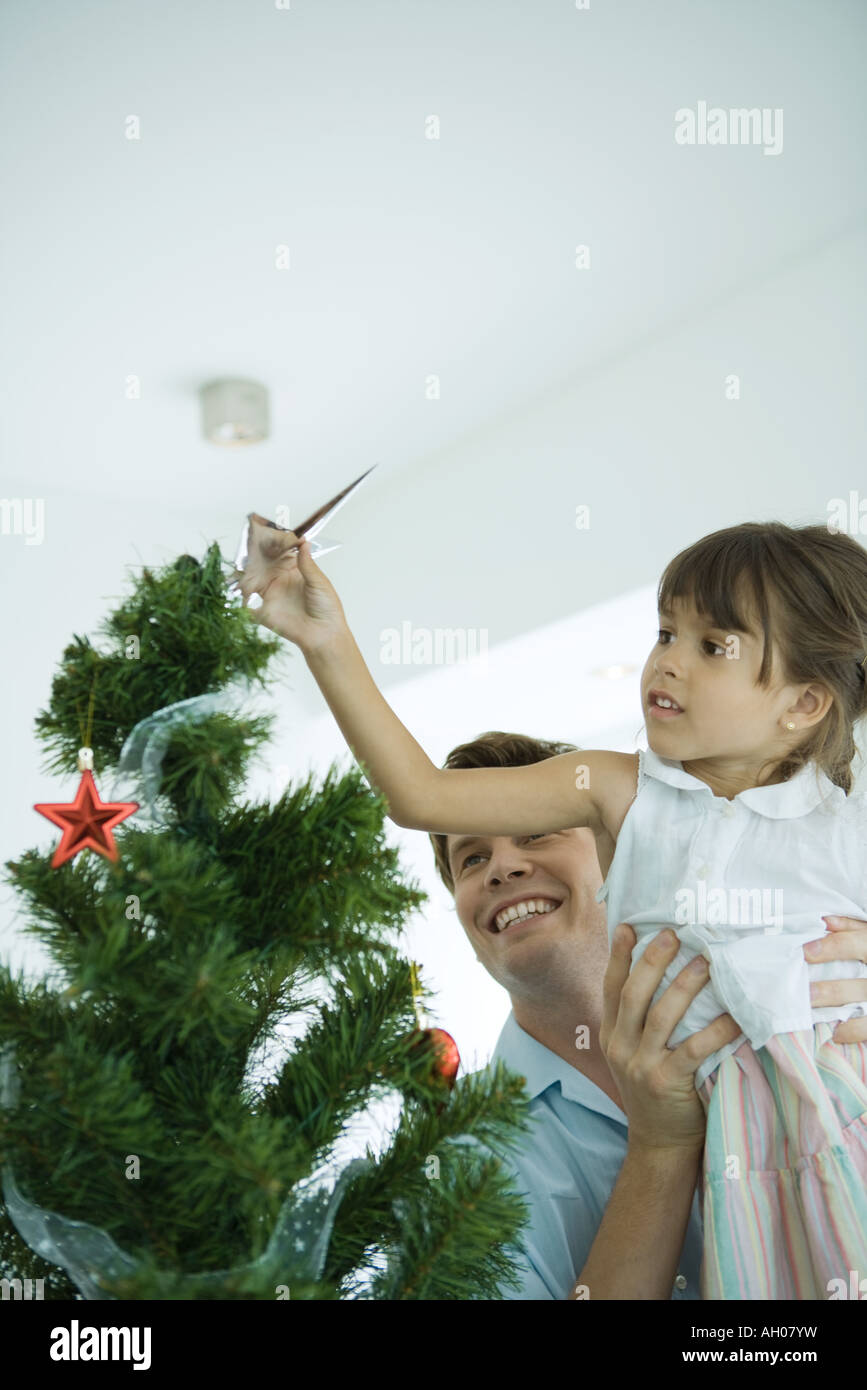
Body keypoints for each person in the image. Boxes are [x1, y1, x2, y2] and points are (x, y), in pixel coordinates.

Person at [231, 515, 867, 1299]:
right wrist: (322, 640)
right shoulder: (622, 789)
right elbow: (417, 795)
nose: (666, 661)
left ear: (803, 704)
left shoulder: (842, 824)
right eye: (665, 632)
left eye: (711, 647)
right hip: (745, 1148)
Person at [428, 729, 867, 1299]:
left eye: (535, 834)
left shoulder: (785, 991)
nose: (501, 867)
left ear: (620, 852)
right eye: (472, 858)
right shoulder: (457, 1169)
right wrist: (658, 1150)